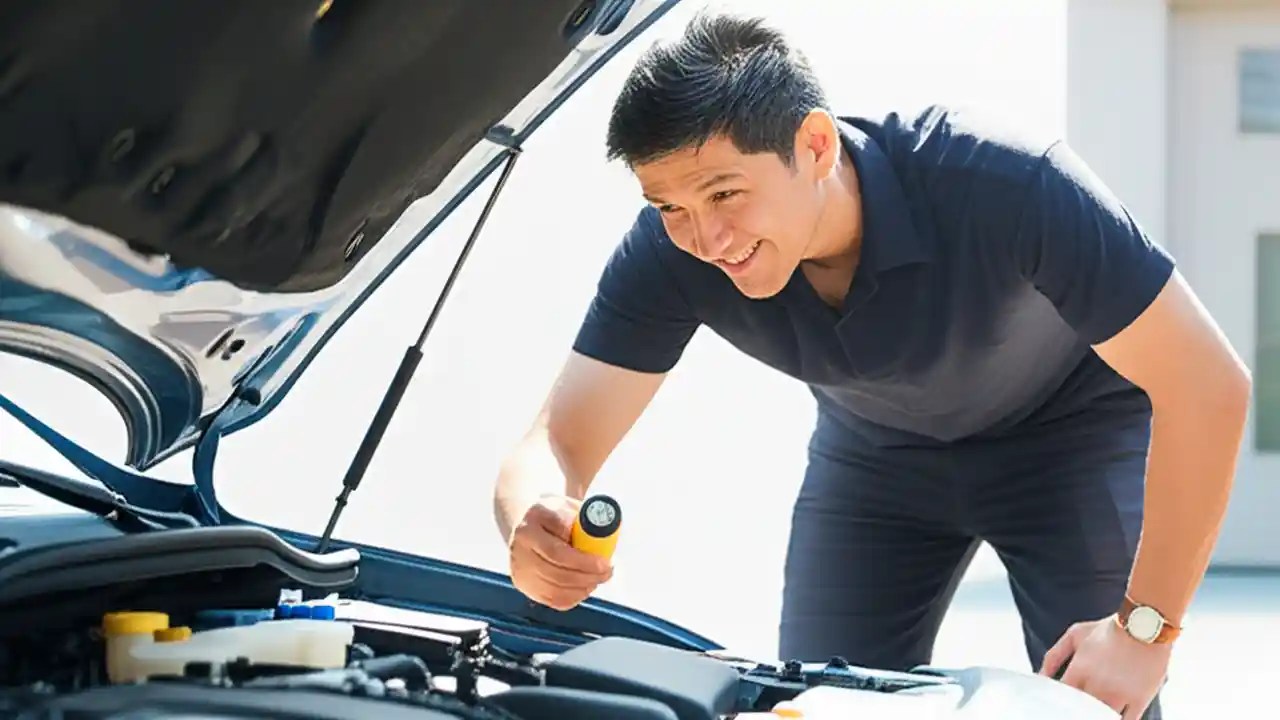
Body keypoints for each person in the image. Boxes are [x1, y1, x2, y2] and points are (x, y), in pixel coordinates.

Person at [491, 11, 1250, 720]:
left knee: (1097, 704)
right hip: (878, 465)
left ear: (814, 145)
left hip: (1065, 443)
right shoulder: (670, 252)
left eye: (726, 192)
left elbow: (1208, 386)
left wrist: (1147, 633)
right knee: (812, 703)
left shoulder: (1010, 183)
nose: (707, 236)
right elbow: (558, 441)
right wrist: (533, 522)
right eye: (671, 206)